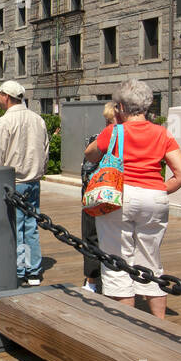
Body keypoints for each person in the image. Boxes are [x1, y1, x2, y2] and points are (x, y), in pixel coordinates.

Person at [83, 81, 181, 317]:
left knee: (116, 261)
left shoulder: (115, 132)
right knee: (151, 263)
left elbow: (90, 154)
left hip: (120, 196)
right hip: (154, 197)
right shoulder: (162, 133)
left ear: (120, 107)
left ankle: (128, 326)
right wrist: (158, 189)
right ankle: (158, 325)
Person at [0, 80, 49, 286]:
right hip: (33, 180)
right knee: (31, 226)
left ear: (6, 96)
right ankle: (33, 269)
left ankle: (20, 269)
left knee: (16, 226)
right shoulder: (38, 119)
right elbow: (45, 151)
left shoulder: (4, 122)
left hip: (12, 182)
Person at [81, 101, 118, 292]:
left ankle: (92, 280)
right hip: (121, 195)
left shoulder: (102, 136)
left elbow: (88, 162)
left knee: (91, 236)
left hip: (99, 194)